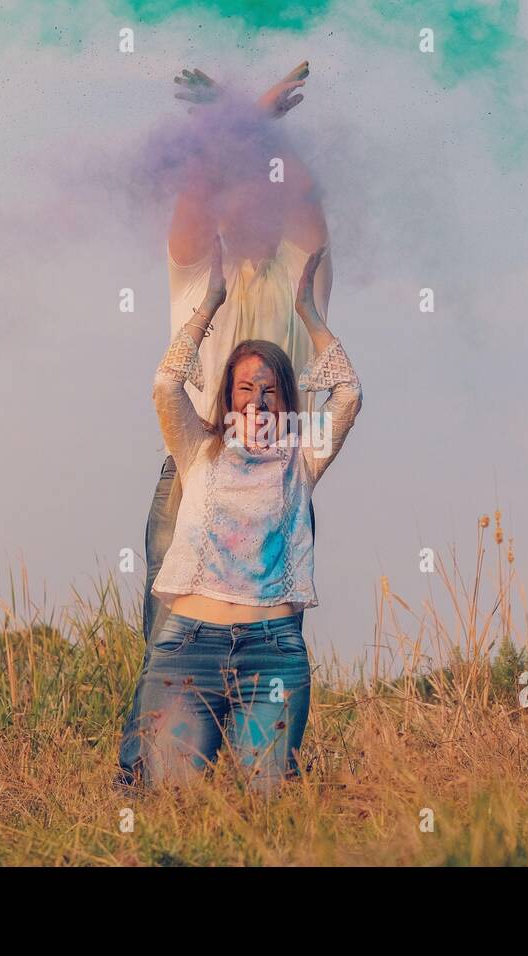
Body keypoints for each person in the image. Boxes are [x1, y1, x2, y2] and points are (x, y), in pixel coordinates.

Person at [118, 235, 361, 792]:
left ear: (286, 402)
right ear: (227, 397)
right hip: (187, 651)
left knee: (266, 812)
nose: (258, 397)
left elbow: (347, 396)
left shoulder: (303, 458)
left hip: (273, 657)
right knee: (175, 809)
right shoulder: (196, 451)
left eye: (271, 389)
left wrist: (309, 314)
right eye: (246, 386)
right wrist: (210, 303)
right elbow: (165, 384)